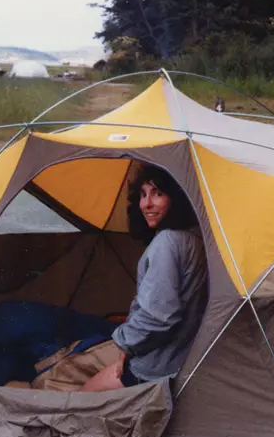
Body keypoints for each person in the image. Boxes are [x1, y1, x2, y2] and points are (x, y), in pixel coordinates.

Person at [81, 165, 208, 391]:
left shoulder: (167, 242)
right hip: (182, 363)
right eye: (142, 194)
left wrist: (124, 344)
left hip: (153, 368)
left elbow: (160, 316)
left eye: (157, 194)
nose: (146, 204)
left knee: (80, 397)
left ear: (176, 197)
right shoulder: (196, 238)